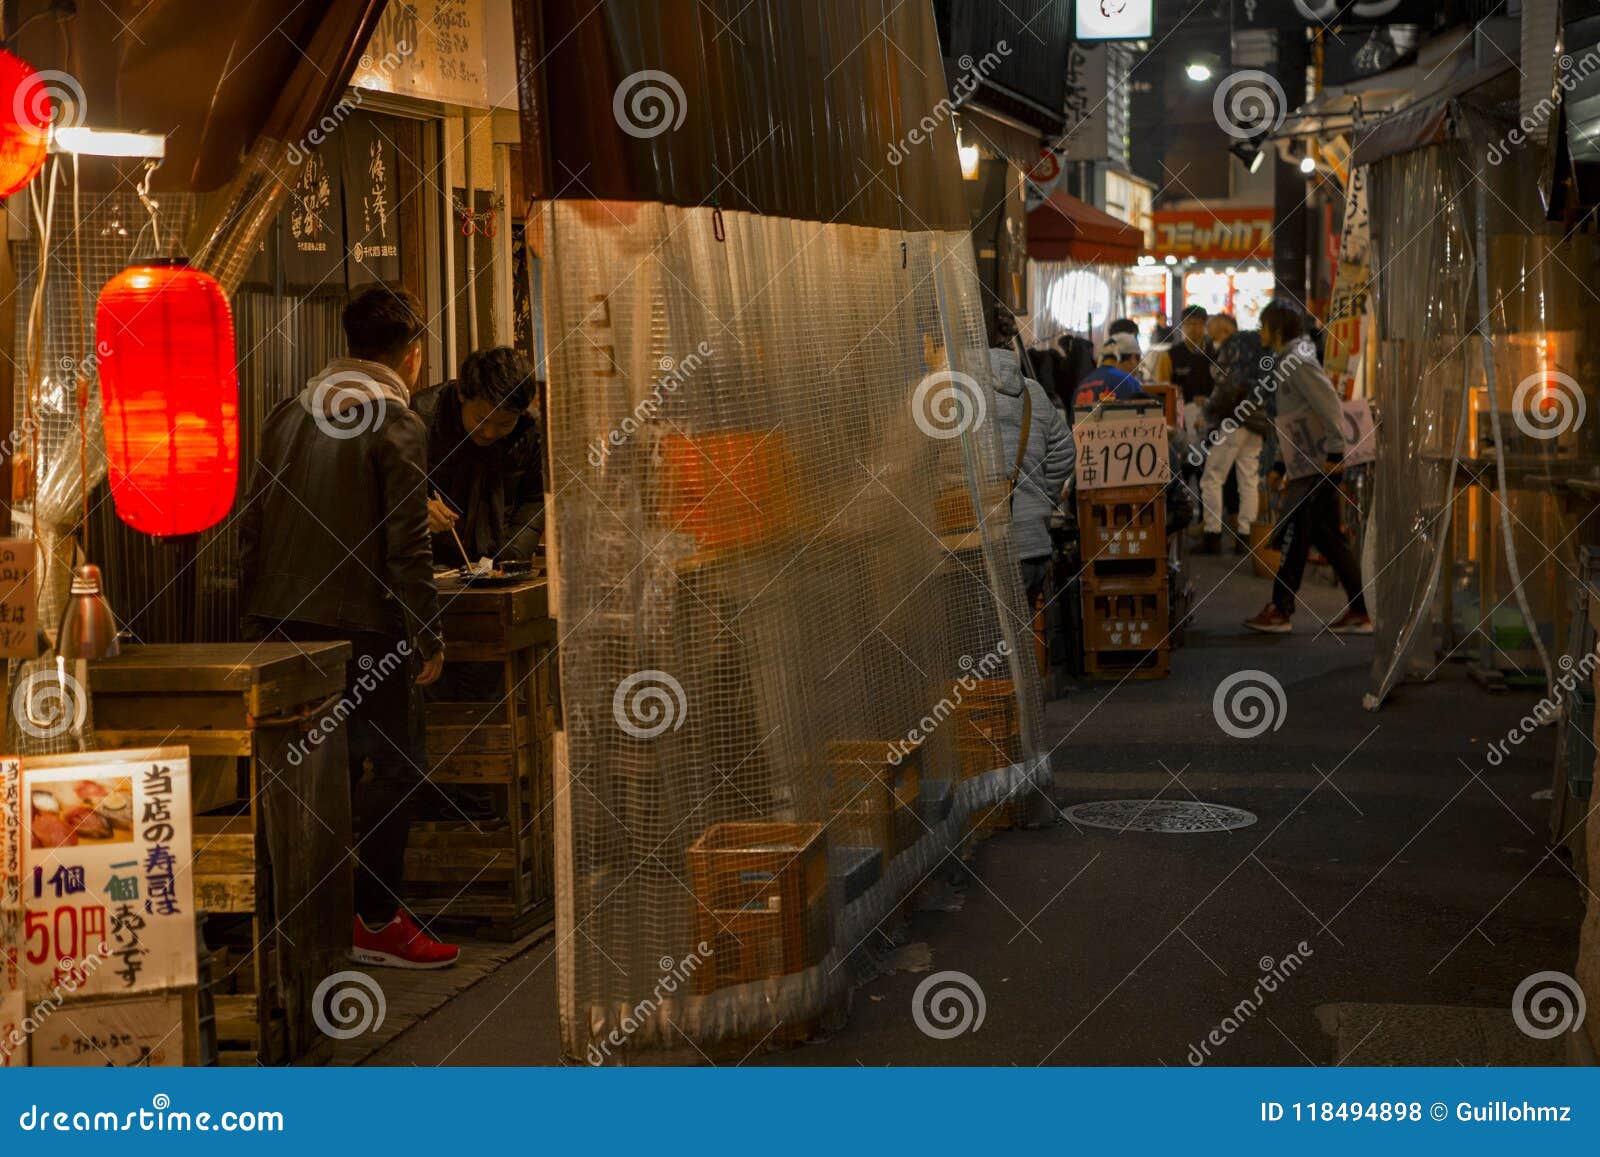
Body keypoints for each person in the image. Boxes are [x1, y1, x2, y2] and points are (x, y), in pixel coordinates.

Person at [238, 283, 458, 970]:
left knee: (295, 771)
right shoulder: (397, 419)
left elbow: (253, 520)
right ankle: (376, 917)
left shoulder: (287, 412)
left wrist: (255, 609)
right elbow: (408, 544)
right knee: (398, 765)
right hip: (363, 627)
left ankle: (297, 923)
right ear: (412, 354)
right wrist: (427, 633)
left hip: (278, 621)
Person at [1243, 301, 1372, 636]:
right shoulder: (1291, 360)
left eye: (1264, 324)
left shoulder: (1298, 361)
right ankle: (1360, 610)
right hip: (1310, 463)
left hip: (1319, 466)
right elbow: (1296, 419)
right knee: (1327, 539)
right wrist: (1279, 463)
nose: (1261, 331)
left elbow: (1328, 406)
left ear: (1277, 328)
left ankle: (1281, 609)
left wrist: (1335, 453)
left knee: (1296, 536)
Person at [413, 346, 544, 568]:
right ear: (462, 394)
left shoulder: (530, 429)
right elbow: (384, 491)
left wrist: (511, 558)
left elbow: (535, 500)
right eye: (481, 420)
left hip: (498, 565)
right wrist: (417, 507)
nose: (490, 433)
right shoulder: (421, 419)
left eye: (504, 424)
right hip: (428, 567)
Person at [989, 309, 1074, 606]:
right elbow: (1065, 450)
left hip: (982, 551)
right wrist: (1041, 498)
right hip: (1034, 544)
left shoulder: (952, 394)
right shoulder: (1033, 391)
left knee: (984, 641)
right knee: (1019, 640)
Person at [1196, 327, 1270, 554]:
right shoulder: (1265, 360)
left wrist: (1207, 413)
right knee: (1248, 479)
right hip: (1258, 424)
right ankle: (1245, 537)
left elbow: (1227, 389)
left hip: (1235, 421)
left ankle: (1212, 534)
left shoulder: (1238, 358)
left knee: (1212, 478)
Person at [1072, 333, 1147, 407]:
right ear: (1133, 358)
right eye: (1138, 360)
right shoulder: (1129, 382)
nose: (1137, 369)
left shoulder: (1082, 385)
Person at [1162, 304, 1213, 404]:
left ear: (1205, 326)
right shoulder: (1170, 355)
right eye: (1188, 323)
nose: (1193, 328)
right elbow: (1163, 388)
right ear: (1182, 326)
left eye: (1198, 323)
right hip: (1181, 412)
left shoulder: (1214, 353)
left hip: (1212, 411)